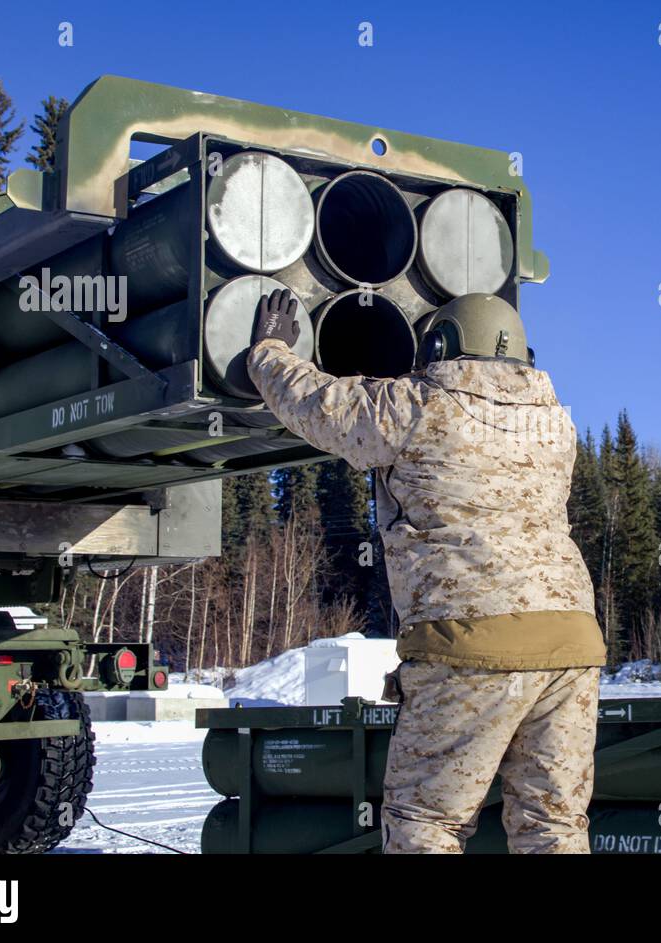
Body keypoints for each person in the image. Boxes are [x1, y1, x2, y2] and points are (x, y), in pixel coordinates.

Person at [247, 288, 605, 853]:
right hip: (572, 642)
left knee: (427, 821)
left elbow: (322, 407)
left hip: (470, 637)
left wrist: (270, 351)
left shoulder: (418, 405)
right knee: (552, 825)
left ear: (442, 345)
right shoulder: (558, 425)